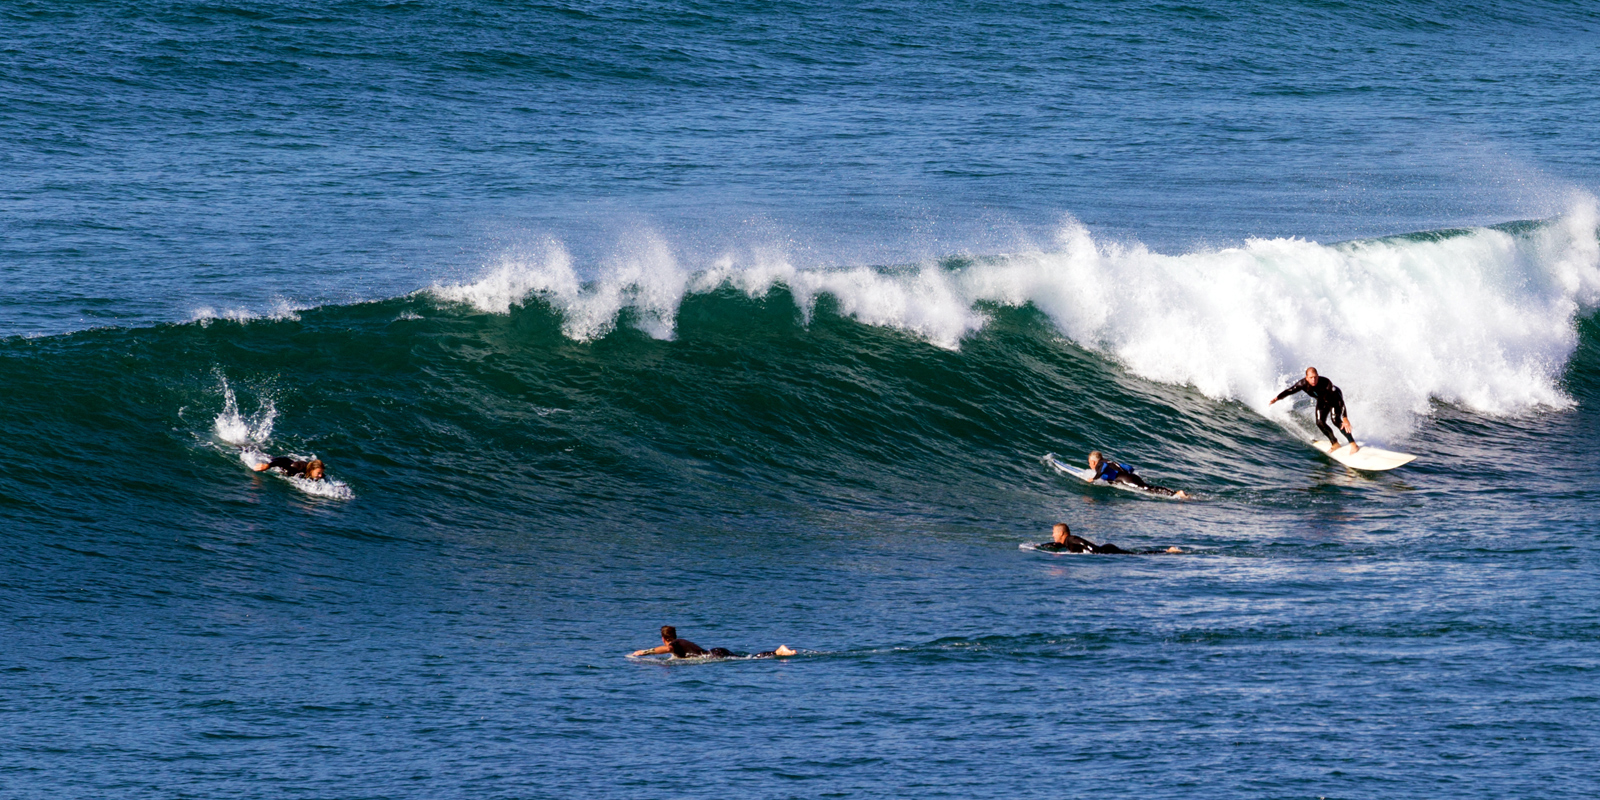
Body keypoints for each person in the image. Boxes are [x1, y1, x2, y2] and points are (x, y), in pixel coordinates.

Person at [1270, 366, 1358, 453]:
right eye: (1311, 378)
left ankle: (1353, 444)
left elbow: (1339, 400)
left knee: (1336, 420)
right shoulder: (1302, 384)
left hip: (1334, 399)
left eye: (1315, 377)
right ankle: (1335, 443)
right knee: (1320, 422)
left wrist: (1345, 418)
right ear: (1306, 378)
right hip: (1321, 400)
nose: (1314, 380)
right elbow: (1290, 390)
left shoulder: (1326, 383)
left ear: (1318, 376)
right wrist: (1277, 398)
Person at [629, 625, 796, 659]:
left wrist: (644, 652)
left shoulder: (674, 645)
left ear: (663, 638)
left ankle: (778, 651)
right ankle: (776, 652)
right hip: (715, 651)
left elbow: (667, 650)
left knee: (750, 659)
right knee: (749, 658)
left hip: (714, 656)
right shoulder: (681, 641)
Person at [1086, 451, 1190, 499]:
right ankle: (1175, 493)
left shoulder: (1100, 464)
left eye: (1089, 462)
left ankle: (1176, 494)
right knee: (1148, 487)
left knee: (1148, 489)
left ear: (1094, 462)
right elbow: (1129, 468)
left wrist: (1094, 479)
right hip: (1130, 477)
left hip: (1125, 479)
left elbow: (1103, 468)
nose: (1089, 465)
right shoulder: (1109, 461)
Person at [1033, 523, 1183, 555]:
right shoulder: (1065, 542)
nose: (1053, 535)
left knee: (1136, 555)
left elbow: (1086, 544)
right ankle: (1166, 551)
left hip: (1106, 551)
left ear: (1062, 533)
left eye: (1054, 532)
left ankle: (1167, 551)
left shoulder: (1072, 539)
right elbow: (1054, 545)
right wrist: (1038, 546)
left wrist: (1095, 554)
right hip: (1105, 550)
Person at [252, 456, 325, 480]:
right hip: (280, 463)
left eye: (321, 473)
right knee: (257, 455)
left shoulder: (319, 475)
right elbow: (280, 461)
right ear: (312, 470)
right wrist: (267, 466)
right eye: (318, 473)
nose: (320, 475)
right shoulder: (298, 468)